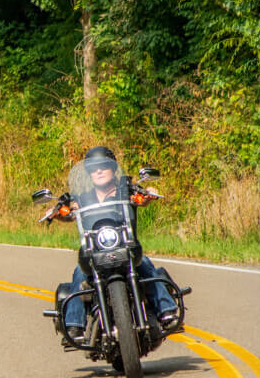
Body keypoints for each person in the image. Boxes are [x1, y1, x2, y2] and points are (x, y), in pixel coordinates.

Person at [60, 146, 179, 344]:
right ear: (89, 172)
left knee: (146, 265)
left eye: (104, 166)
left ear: (113, 168)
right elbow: (69, 212)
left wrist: (149, 193)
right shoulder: (82, 198)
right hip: (94, 250)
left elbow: (143, 198)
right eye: (93, 168)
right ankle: (74, 326)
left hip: (126, 246)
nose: (98, 171)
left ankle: (167, 311)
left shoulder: (127, 189)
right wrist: (59, 212)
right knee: (79, 273)